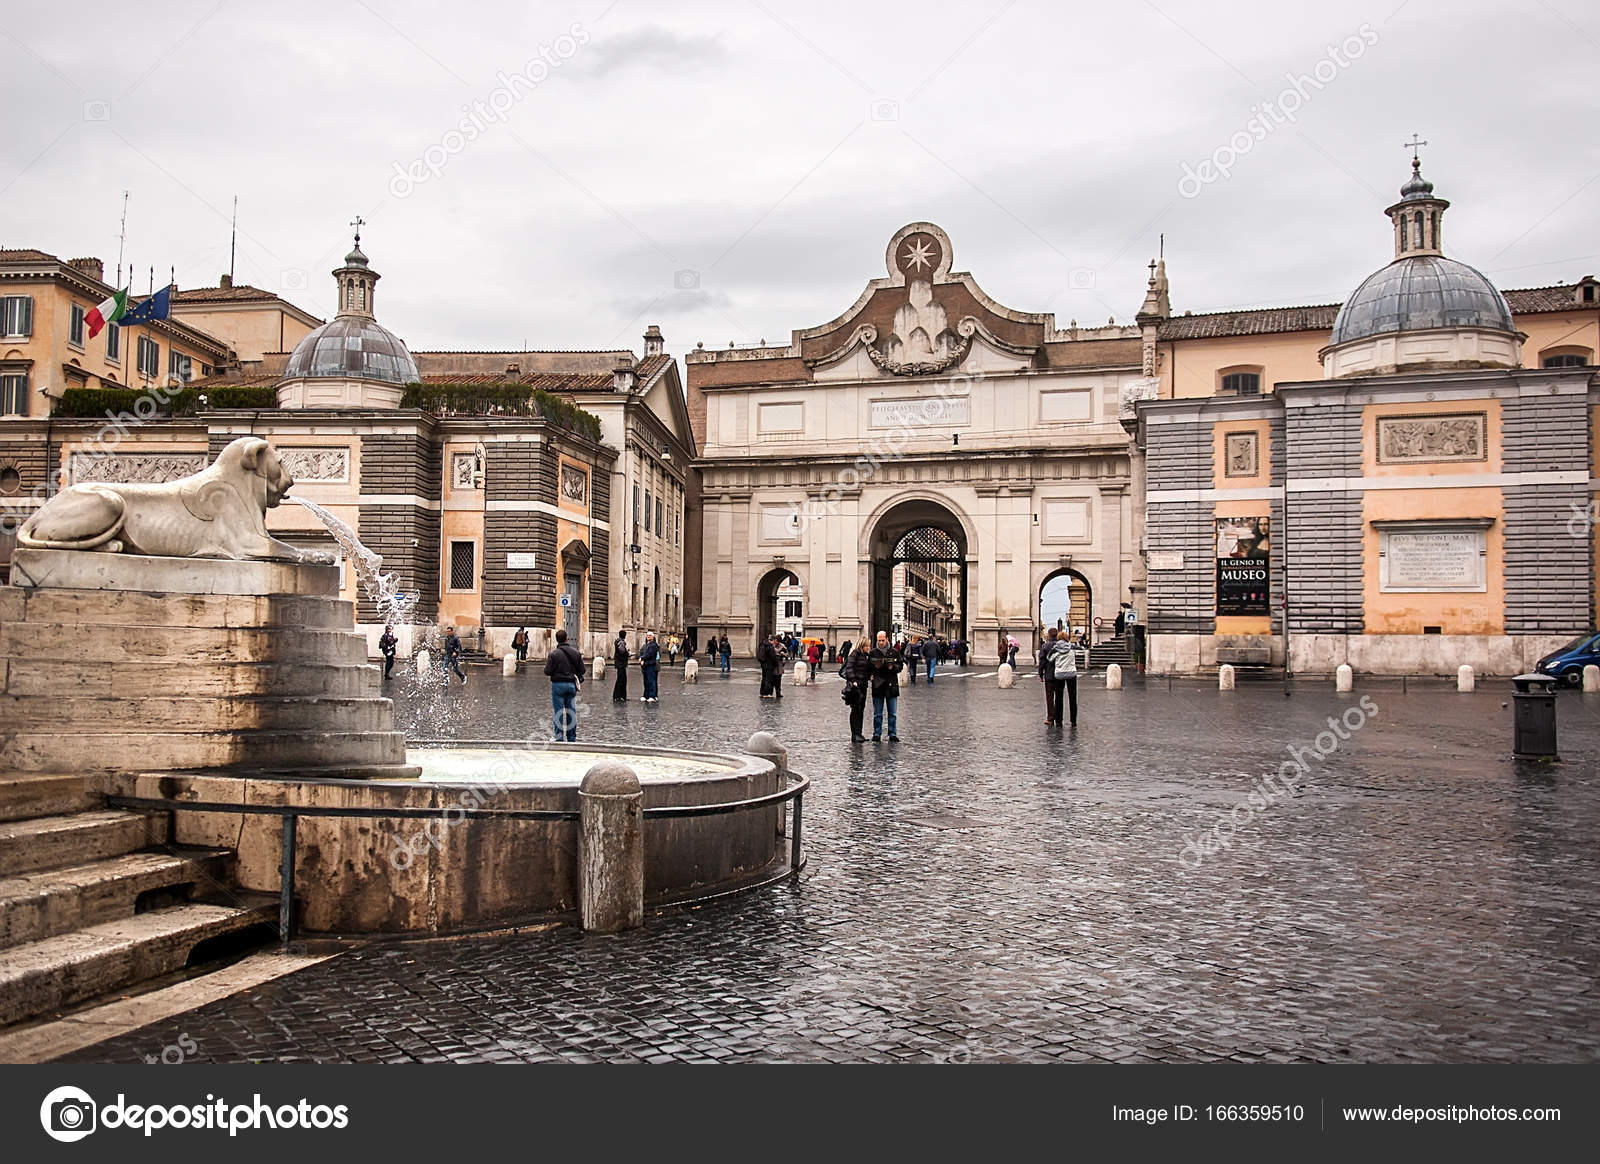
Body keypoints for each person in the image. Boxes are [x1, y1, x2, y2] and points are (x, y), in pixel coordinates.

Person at [543, 628, 585, 741]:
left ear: (557, 640)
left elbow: (547, 671)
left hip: (558, 685)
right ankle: (572, 737)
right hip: (571, 685)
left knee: (559, 712)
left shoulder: (553, 654)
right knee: (571, 711)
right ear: (567, 638)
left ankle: (559, 736)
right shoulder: (576, 653)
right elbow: (583, 669)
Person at [1041, 626, 1078, 727]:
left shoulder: (1056, 649)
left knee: (1058, 698)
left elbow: (1049, 658)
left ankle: (1059, 721)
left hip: (1059, 674)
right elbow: (1081, 650)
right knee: (1072, 697)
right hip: (1071, 674)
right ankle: (1073, 721)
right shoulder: (1071, 647)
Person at [868, 630, 902, 742]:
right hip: (878, 685)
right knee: (877, 713)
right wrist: (870, 675)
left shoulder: (894, 652)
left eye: (882, 640)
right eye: (879, 640)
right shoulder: (872, 653)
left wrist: (893, 667)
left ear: (887, 639)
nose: (881, 642)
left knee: (892, 712)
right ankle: (877, 733)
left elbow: (900, 666)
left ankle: (892, 733)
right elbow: (868, 667)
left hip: (891, 684)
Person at [842, 637, 872, 741]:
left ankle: (859, 733)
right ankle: (854, 734)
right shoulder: (855, 654)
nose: (869, 647)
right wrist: (853, 680)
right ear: (862, 646)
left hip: (863, 685)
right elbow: (849, 668)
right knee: (855, 709)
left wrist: (869, 676)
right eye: (867, 645)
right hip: (855, 686)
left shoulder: (866, 656)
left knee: (861, 709)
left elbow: (865, 670)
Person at [639, 630, 660, 703]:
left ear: (653, 637)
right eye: (647, 635)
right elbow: (642, 652)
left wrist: (642, 658)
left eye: (650, 635)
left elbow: (649, 654)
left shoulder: (654, 645)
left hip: (651, 664)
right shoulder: (646, 645)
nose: (648, 636)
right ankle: (646, 695)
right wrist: (641, 658)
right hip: (645, 664)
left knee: (651, 681)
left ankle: (652, 695)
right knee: (646, 681)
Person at [612, 630, 630, 702]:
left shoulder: (618, 641)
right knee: (621, 680)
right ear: (624, 635)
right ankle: (618, 696)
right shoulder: (621, 642)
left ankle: (621, 696)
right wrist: (628, 653)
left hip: (619, 663)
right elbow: (622, 652)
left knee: (621, 679)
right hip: (621, 663)